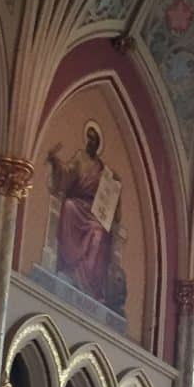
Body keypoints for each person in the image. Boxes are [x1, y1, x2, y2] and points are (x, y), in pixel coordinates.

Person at [44, 124, 119, 308]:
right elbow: (66, 173)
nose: (91, 143)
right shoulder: (79, 158)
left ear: (97, 144)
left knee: (98, 232)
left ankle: (87, 283)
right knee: (68, 207)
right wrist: (55, 161)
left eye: (95, 140)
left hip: (94, 212)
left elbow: (110, 200)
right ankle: (69, 270)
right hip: (77, 202)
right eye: (89, 138)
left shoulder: (104, 171)